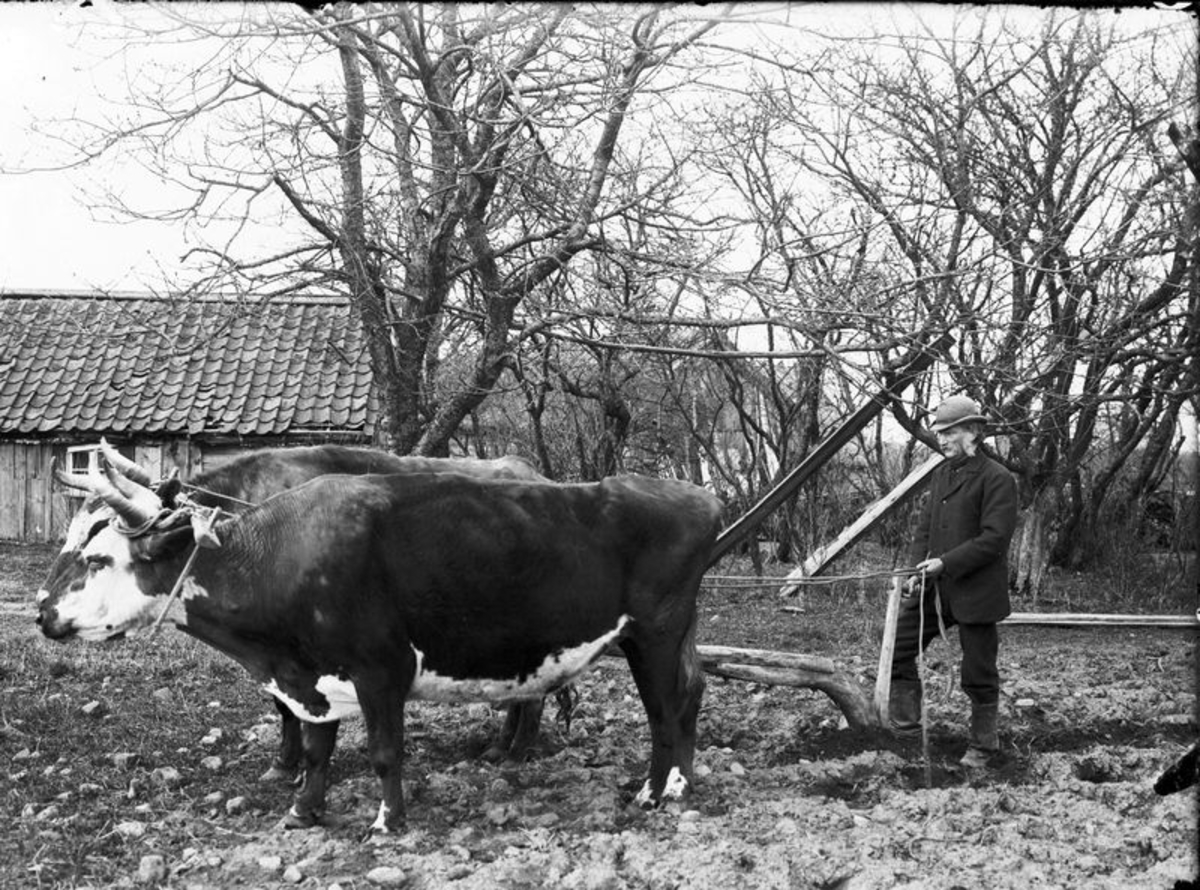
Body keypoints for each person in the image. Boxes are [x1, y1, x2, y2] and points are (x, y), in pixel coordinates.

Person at [889, 395, 1019, 769]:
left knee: (978, 673)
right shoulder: (942, 474)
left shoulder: (998, 478)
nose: (942, 439)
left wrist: (945, 563)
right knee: (897, 647)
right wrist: (915, 572)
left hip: (977, 593)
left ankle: (982, 746)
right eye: (940, 433)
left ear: (973, 432)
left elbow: (994, 540)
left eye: (949, 432)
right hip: (934, 589)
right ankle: (906, 732)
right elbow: (924, 530)